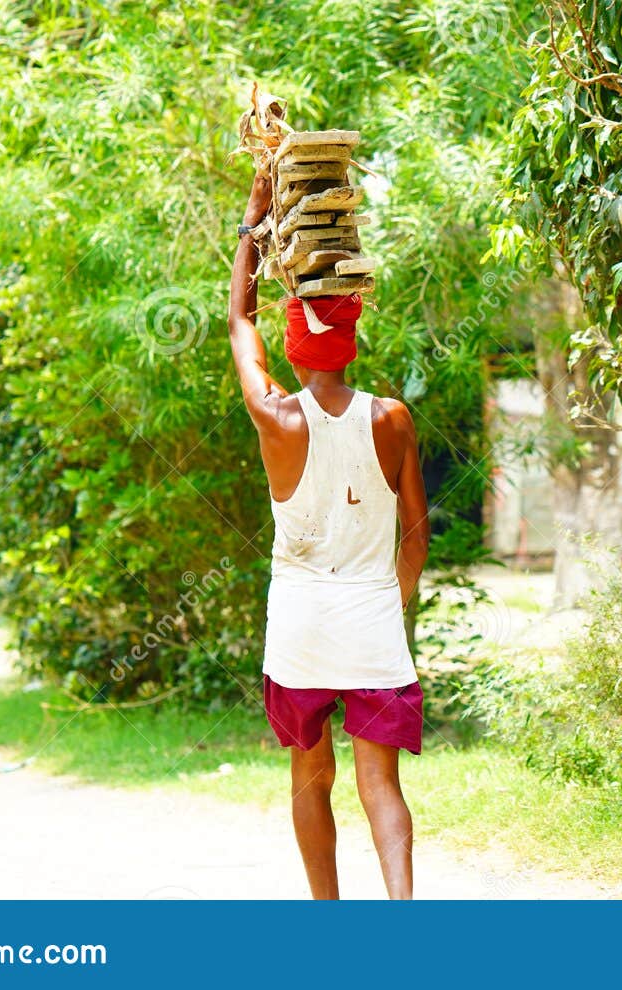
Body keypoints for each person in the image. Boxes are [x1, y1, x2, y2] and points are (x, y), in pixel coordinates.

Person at [226, 172, 430, 899]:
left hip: (303, 624)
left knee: (311, 779)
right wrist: (391, 603)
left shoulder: (277, 419)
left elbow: (239, 328)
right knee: (381, 785)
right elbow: (415, 537)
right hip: (372, 616)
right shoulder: (393, 418)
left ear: (296, 348)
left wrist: (252, 227)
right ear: (350, 340)